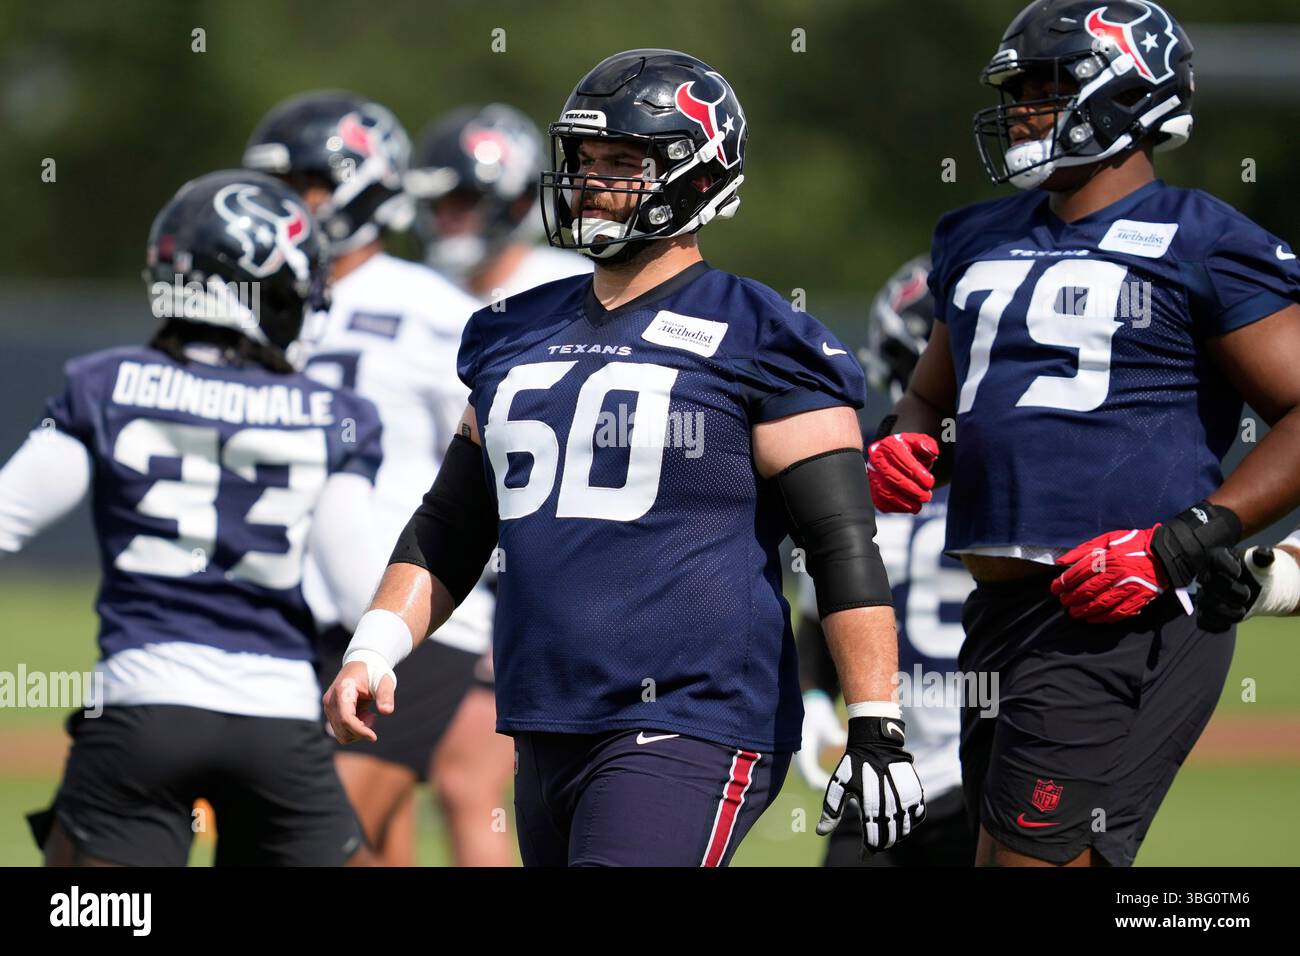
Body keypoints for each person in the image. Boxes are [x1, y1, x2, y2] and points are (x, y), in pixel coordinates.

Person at [324, 48, 926, 866]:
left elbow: (841, 542)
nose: (593, 181)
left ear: (698, 174)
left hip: (694, 716)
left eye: (624, 162)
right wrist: (373, 649)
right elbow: (453, 524)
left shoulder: (765, 335)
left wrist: (875, 721)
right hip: (545, 718)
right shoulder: (511, 330)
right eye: (585, 161)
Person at [868, 0, 1300, 866]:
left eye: (1047, 84)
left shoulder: (1204, 238)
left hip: (1120, 610)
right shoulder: (974, 235)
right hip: (998, 612)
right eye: (1017, 88)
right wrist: (907, 442)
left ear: (1128, 92)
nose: (1023, 107)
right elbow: (931, 397)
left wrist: (1187, 542)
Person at [4, 170, 384, 866]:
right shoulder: (335, 414)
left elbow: (6, 517)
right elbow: (360, 584)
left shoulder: (106, 383)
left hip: (142, 708)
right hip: (277, 722)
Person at [243, 91, 488, 866]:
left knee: (315, 840)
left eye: (304, 187)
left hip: (408, 612)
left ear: (361, 185)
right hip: (295, 615)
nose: (285, 208)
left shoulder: (438, 310)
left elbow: (508, 459)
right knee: (361, 849)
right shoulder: (263, 305)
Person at [405, 102, 592, 865]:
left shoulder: (566, 291)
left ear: (512, 201)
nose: (449, 221)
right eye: (438, 204)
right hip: (461, 563)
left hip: (548, 573)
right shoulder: (422, 298)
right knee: (401, 775)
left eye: (464, 202)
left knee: (464, 778)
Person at [796, 255, 976, 866]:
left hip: (981, 763)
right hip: (885, 760)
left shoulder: (860, 467)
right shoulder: (859, 466)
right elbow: (822, 601)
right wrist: (815, 696)